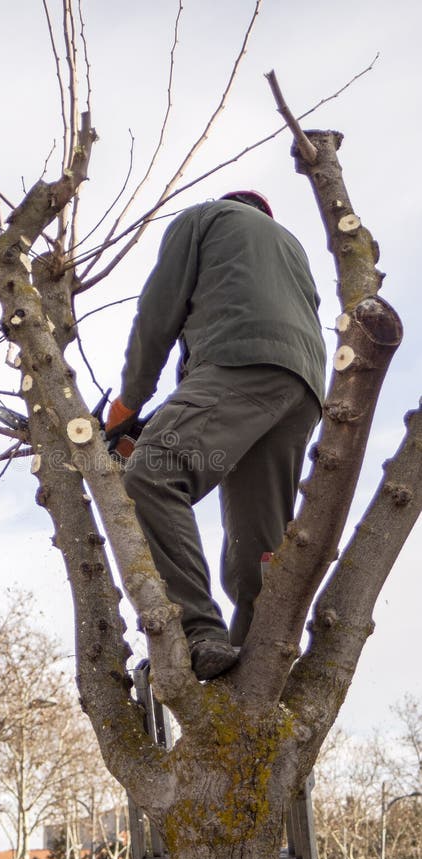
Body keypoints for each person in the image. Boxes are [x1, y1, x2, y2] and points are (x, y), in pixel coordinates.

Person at [105, 191, 326, 681]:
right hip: (304, 388)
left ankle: (199, 632)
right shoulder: (291, 248)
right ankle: (255, 672)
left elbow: (159, 310)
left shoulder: (205, 216)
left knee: (151, 477)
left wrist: (129, 405)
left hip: (238, 362)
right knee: (259, 549)